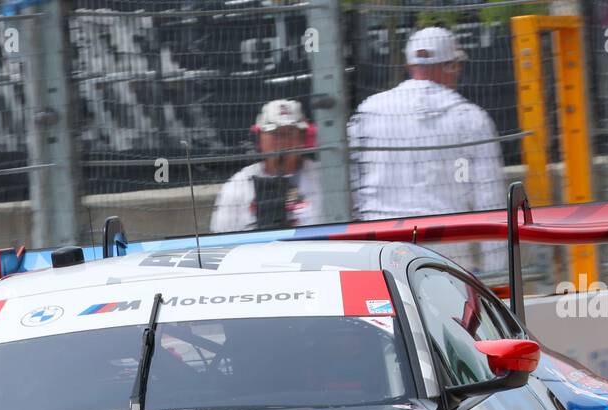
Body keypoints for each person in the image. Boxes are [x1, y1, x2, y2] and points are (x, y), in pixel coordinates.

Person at [348, 27, 506, 274]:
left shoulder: (369, 111)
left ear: (410, 65)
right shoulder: (470, 117)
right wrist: (499, 274)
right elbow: (490, 200)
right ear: (450, 66)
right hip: (445, 251)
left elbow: (350, 186)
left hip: (380, 248)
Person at [210, 99, 324, 233]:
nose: (283, 140)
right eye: (274, 134)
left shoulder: (324, 175)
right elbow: (221, 238)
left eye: (290, 133)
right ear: (260, 139)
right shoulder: (238, 185)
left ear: (302, 138)